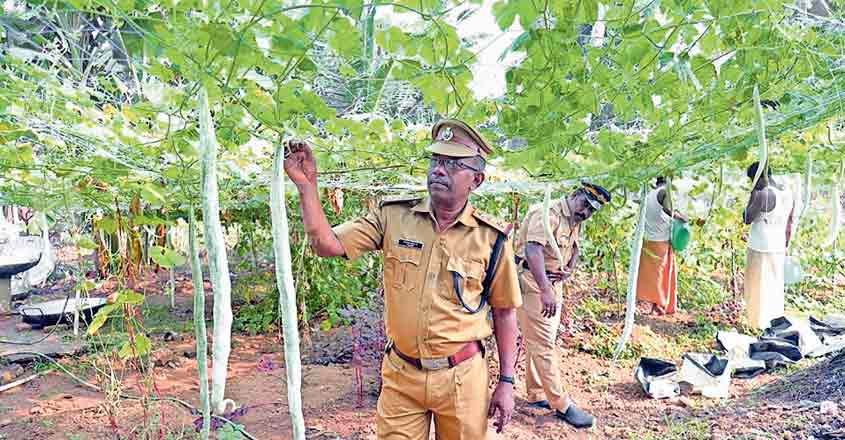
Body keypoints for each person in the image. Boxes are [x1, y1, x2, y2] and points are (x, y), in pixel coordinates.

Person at [283, 119, 522, 439]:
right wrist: (306, 186)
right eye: (436, 160)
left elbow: (505, 312)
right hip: (401, 376)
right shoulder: (393, 216)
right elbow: (326, 244)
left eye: (452, 164)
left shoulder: (492, 240)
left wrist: (506, 382)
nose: (439, 170)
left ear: (476, 180)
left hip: (462, 379)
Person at [512, 182, 611, 429]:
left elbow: (574, 247)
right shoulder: (546, 214)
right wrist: (545, 289)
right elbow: (532, 250)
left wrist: (569, 268)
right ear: (574, 195)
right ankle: (561, 404)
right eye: (584, 205)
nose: (586, 212)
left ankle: (537, 394)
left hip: (552, 284)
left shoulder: (574, 218)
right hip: (535, 284)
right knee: (543, 344)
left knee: (540, 341)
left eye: (591, 210)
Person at [743, 161, 794, 329]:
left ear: (760, 177)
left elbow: (747, 218)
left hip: (760, 245)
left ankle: (758, 323)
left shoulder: (763, 194)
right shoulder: (785, 193)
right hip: (777, 244)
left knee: (757, 285)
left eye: (753, 180)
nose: (753, 184)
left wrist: (752, 195)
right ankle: (774, 320)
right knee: (773, 284)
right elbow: (790, 221)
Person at [636, 177, 687, 315]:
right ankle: (659, 305)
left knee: (651, 275)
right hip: (660, 241)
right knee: (660, 275)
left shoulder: (650, 194)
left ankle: (652, 304)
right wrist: (681, 217)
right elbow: (668, 210)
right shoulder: (664, 192)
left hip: (649, 239)